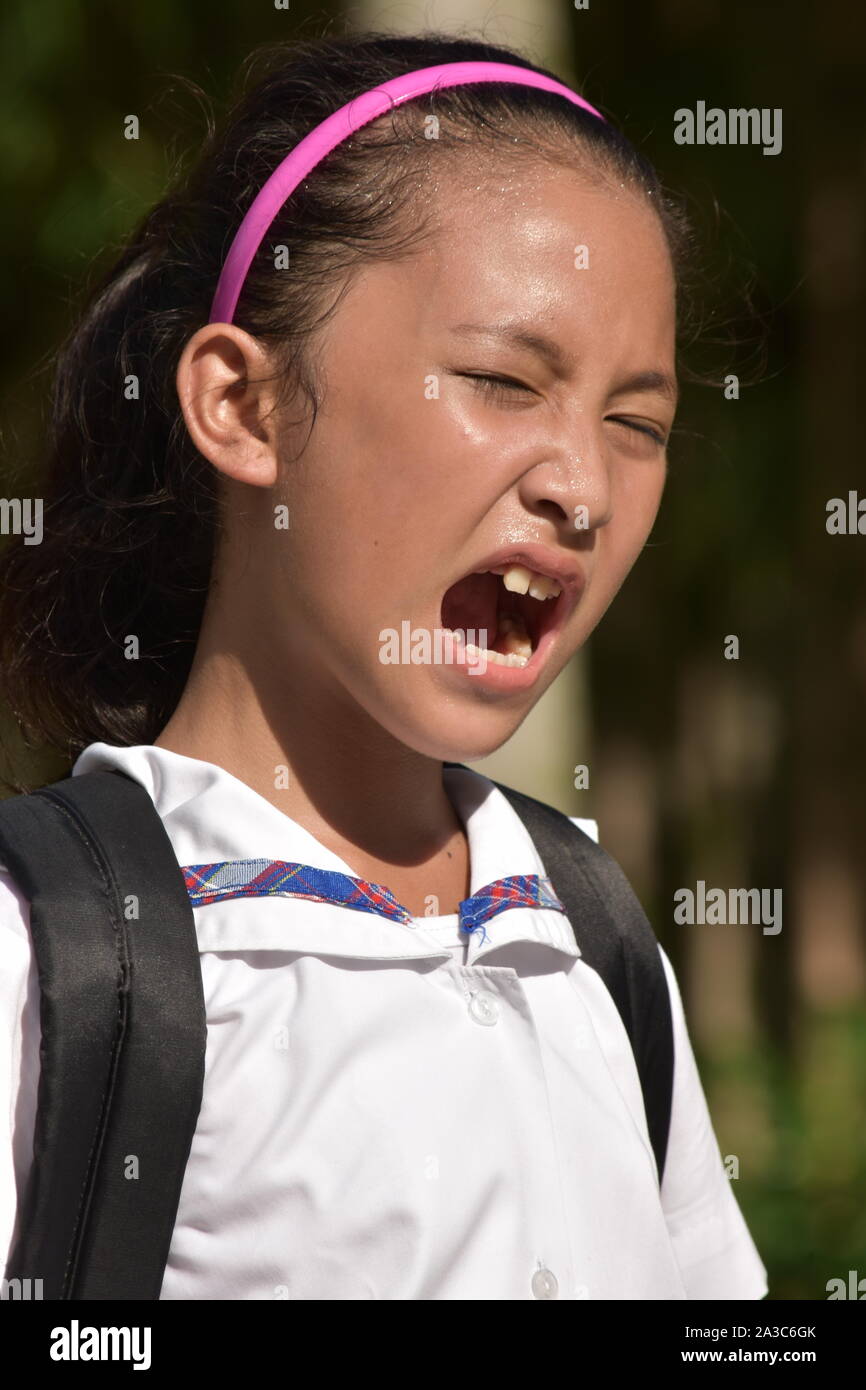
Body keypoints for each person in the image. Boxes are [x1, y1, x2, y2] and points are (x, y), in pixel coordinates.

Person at [0, 30, 768, 1300]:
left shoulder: (593, 945)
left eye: (636, 424)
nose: (582, 487)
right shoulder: (51, 957)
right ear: (243, 408)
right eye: (499, 380)